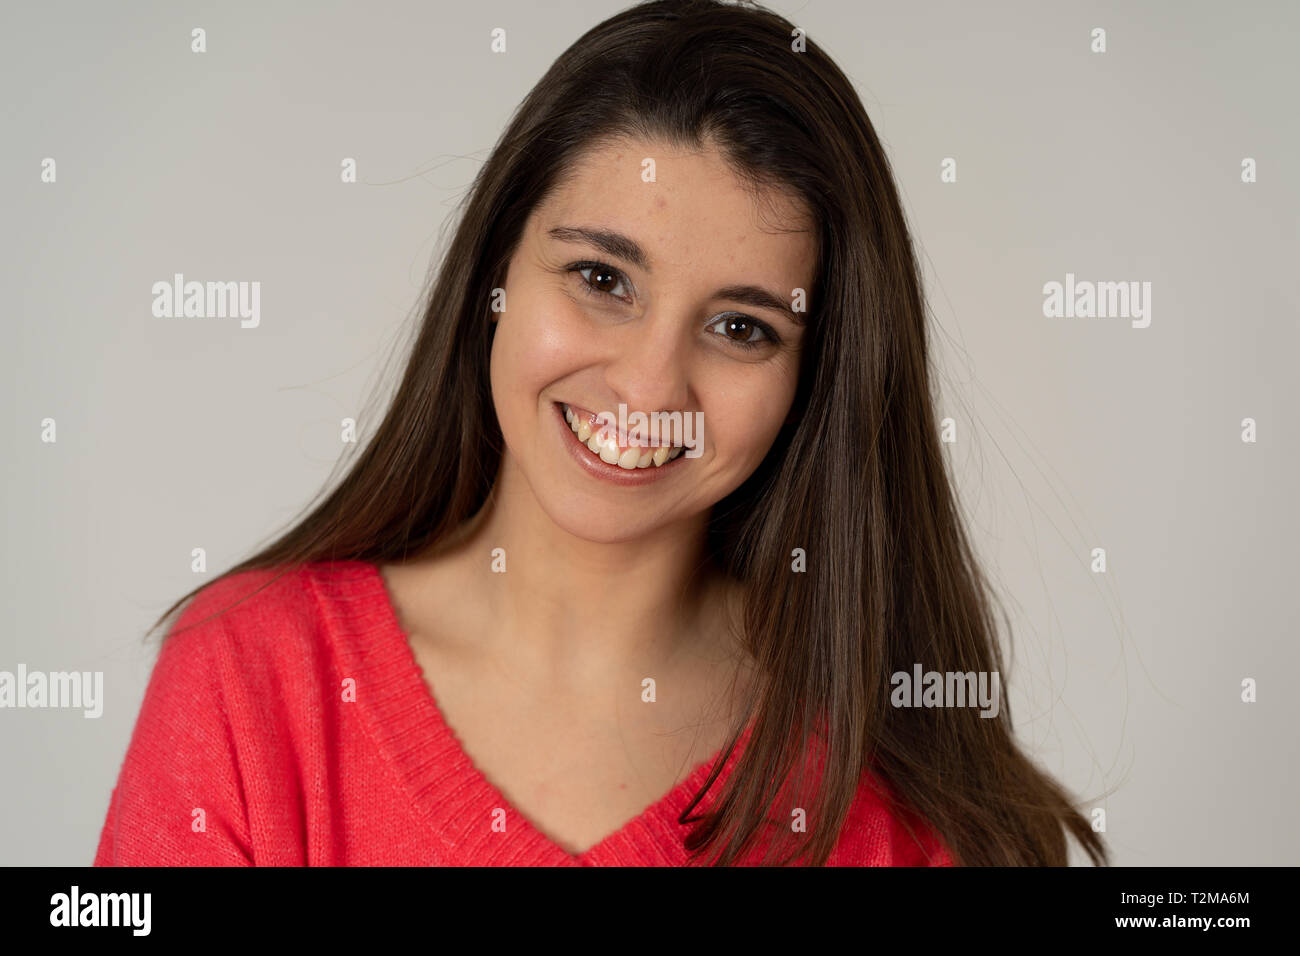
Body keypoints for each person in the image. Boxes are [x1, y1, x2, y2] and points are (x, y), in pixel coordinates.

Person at [93, 0, 1108, 866]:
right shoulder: (250, 676)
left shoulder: (898, 805)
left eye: (741, 326)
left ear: (816, 376)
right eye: (600, 279)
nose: (648, 381)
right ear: (493, 276)